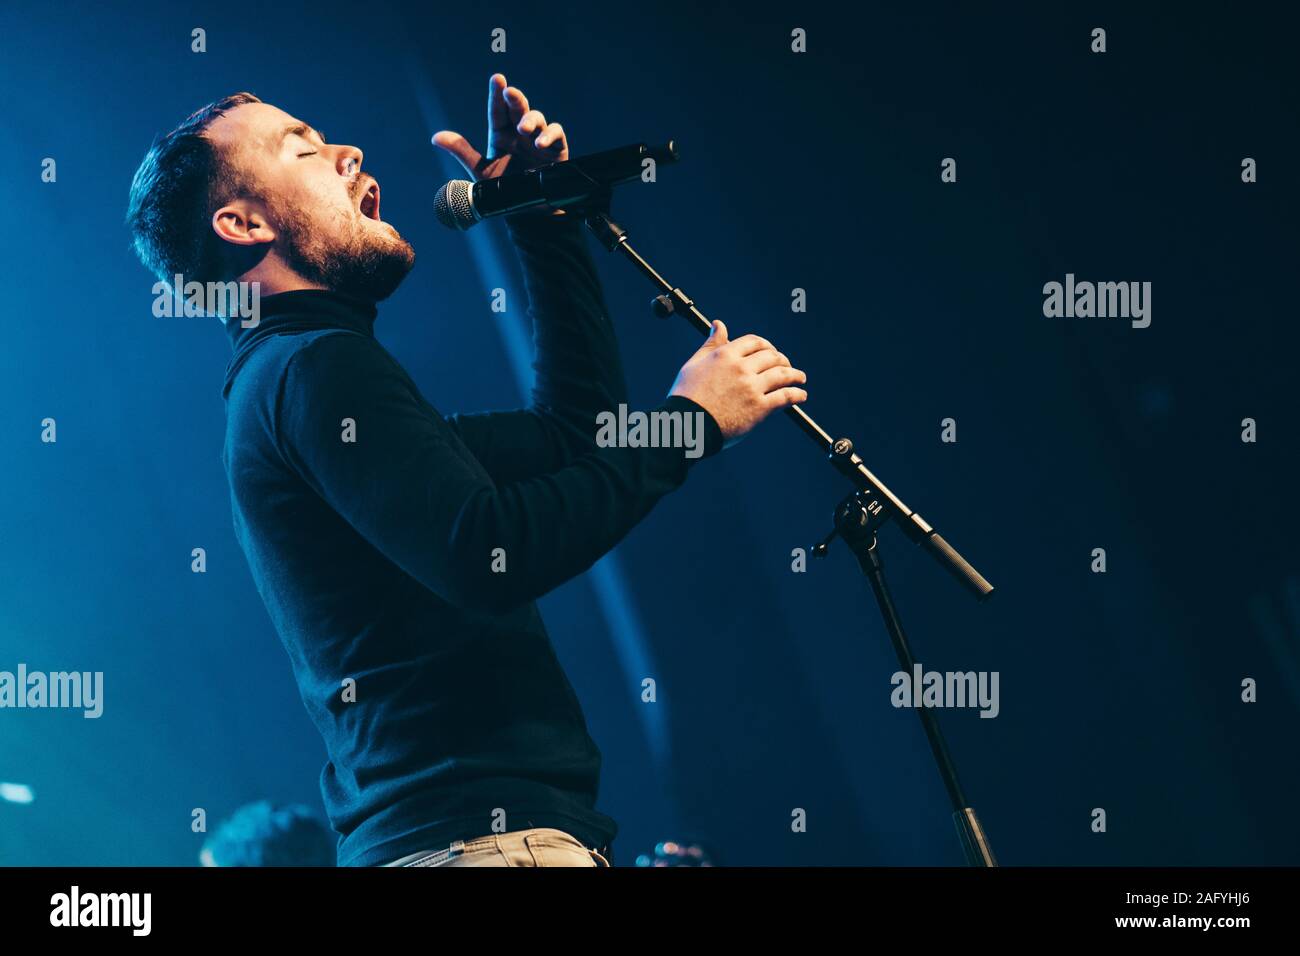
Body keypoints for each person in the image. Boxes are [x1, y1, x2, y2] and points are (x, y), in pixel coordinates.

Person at [126, 74, 807, 867]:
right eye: (304, 148)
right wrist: (687, 425)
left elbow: (573, 435)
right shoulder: (311, 368)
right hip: (481, 844)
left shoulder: (293, 379)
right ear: (241, 223)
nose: (348, 153)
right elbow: (492, 553)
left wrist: (540, 220)